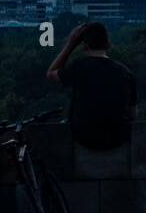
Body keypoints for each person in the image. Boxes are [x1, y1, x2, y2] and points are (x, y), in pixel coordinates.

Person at [46, 22, 136, 151]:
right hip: (117, 139)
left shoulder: (79, 67)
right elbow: (132, 114)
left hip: (84, 138)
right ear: (107, 44)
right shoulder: (125, 72)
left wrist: (70, 45)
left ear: (85, 45)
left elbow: (51, 73)